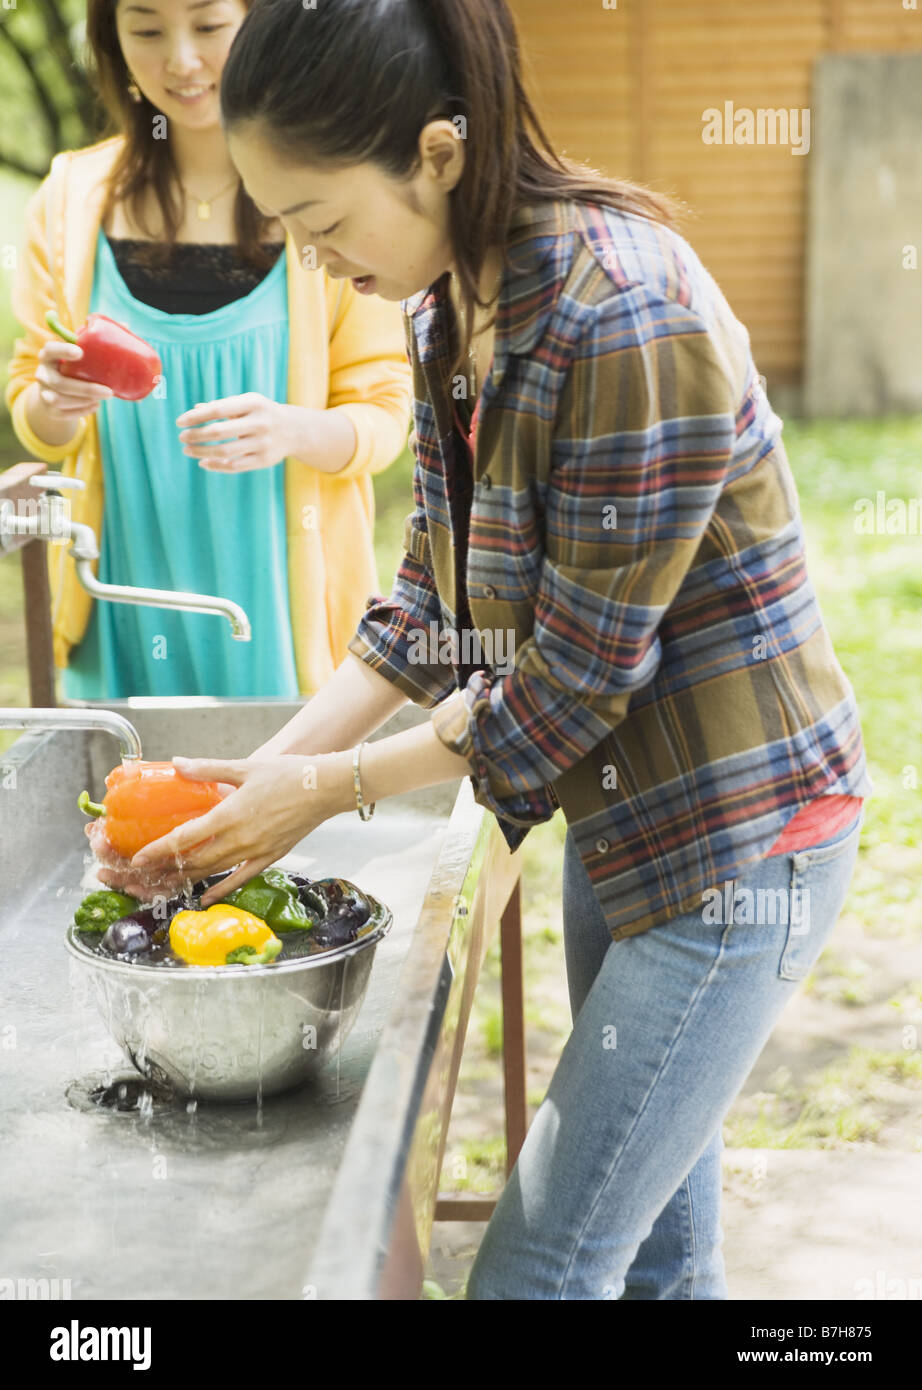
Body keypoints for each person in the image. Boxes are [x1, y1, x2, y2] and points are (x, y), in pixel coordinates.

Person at [96, 0, 873, 1299]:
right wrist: (257, 786)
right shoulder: (442, 303)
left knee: (539, 1270)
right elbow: (425, 608)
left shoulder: (625, 312)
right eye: (286, 228)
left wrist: (325, 792)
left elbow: (565, 686)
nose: (314, 259)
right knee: (661, 1263)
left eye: (326, 222)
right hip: (622, 827)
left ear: (438, 153)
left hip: (741, 848)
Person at [6, 0, 412, 699]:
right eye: (147, 29)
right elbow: (40, 421)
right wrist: (53, 400)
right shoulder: (71, 198)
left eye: (208, 25)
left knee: (278, 795)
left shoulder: (327, 193)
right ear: (113, 40)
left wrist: (296, 429)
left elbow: (385, 413)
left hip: (284, 615)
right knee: (116, 799)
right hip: (117, 593)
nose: (182, 60)